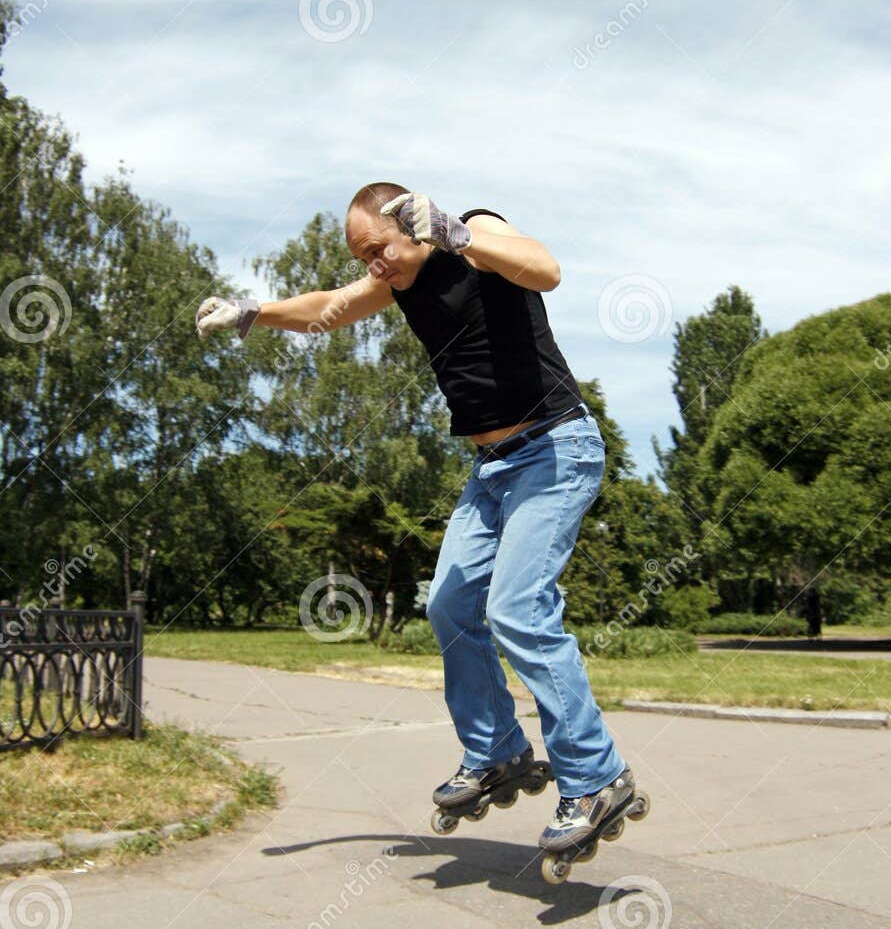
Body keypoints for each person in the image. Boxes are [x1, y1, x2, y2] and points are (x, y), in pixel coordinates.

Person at [195, 182, 640, 859]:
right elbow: (330, 308)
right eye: (362, 256)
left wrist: (455, 231)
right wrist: (253, 312)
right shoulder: (395, 280)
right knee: (448, 605)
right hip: (490, 471)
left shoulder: (472, 235)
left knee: (518, 610)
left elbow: (545, 269)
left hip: (554, 448)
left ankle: (595, 775)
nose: (373, 266)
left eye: (378, 249)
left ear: (411, 224)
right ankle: (496, 751)